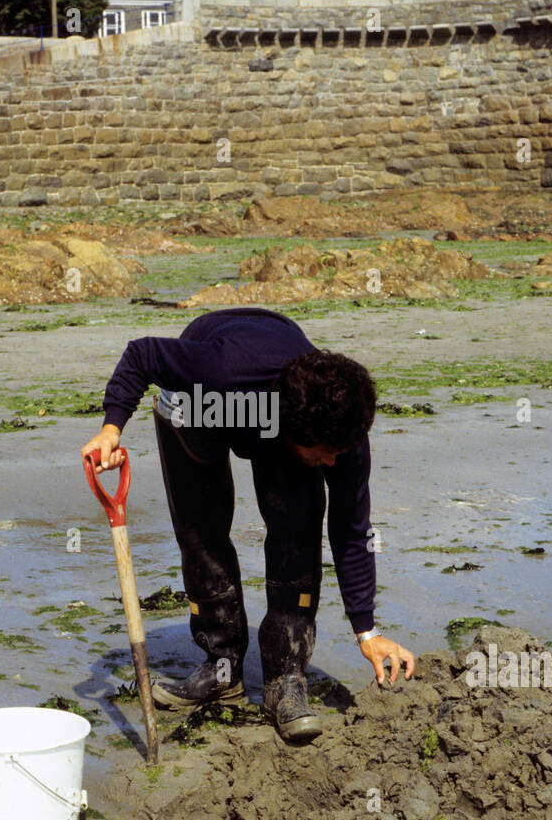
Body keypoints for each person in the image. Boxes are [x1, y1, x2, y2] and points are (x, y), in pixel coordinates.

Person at [83, 306, 414, 743]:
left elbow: (352, 528)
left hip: (275, 405)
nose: (334, 461)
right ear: (292, 428)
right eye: (325, 452)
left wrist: (366, 629)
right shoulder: (217, 371)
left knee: (297, 527)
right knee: (201, 529)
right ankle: (221, 668)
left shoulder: (341, 429)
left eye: (340, 450)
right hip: (199, 406)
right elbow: (142, 354)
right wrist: (112, 426)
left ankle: (285, 679)